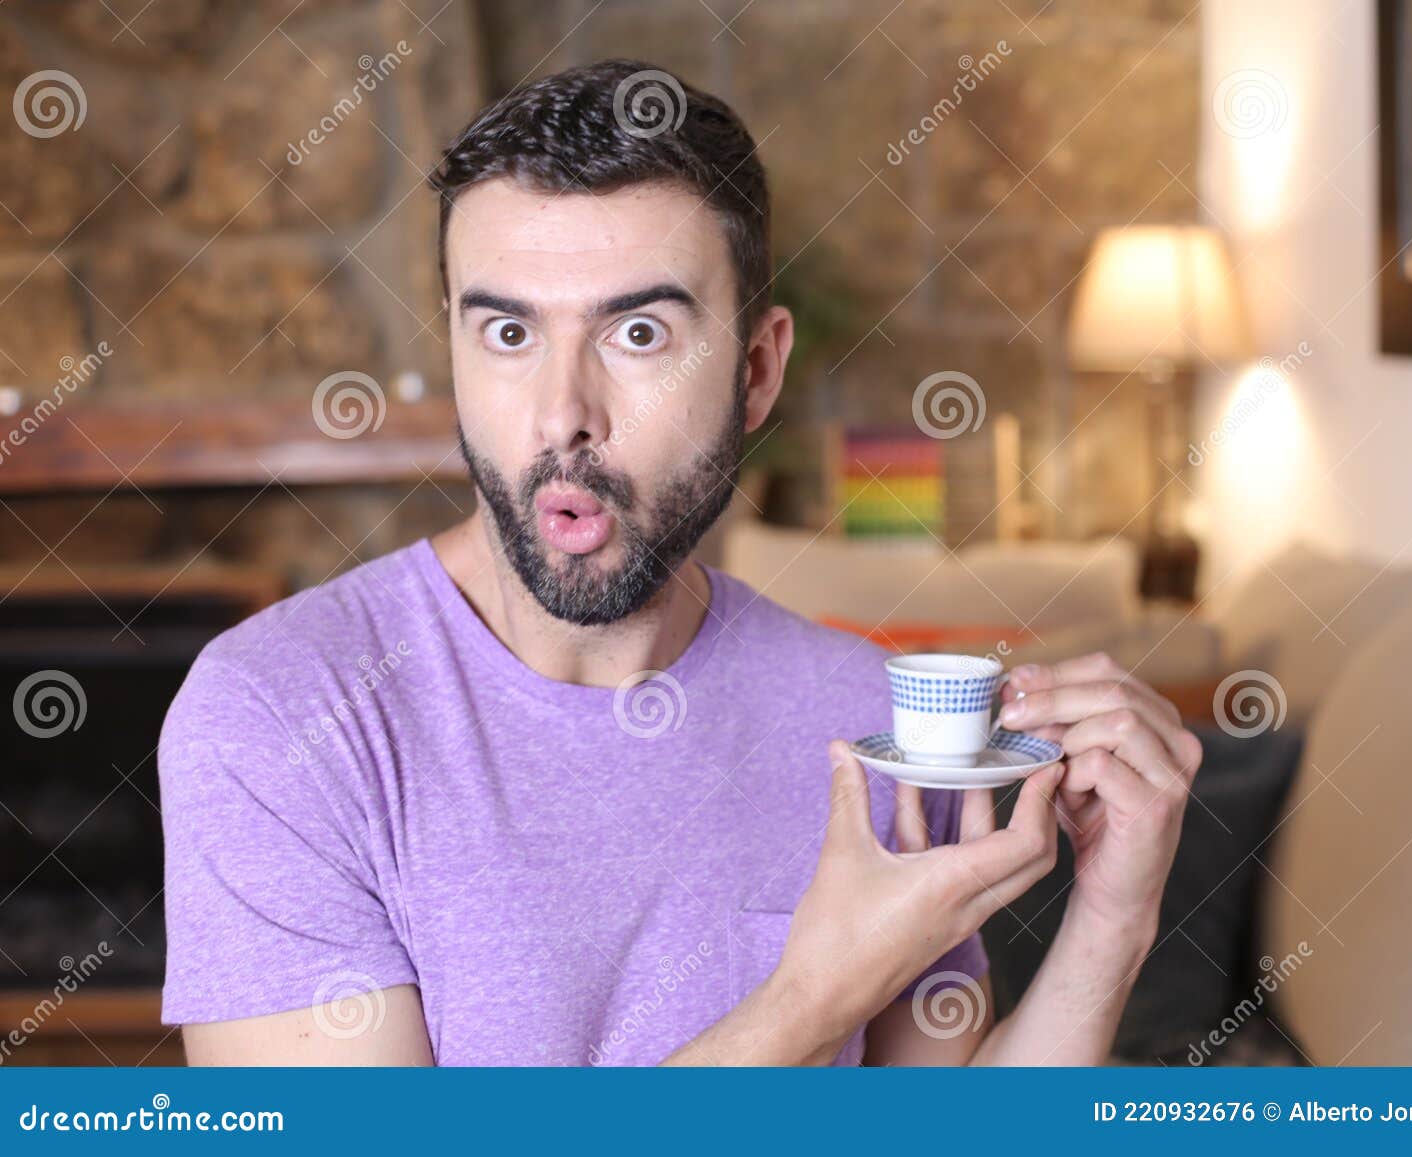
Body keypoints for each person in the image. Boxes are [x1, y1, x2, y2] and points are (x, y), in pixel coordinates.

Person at [159, 58, 1201, 1066]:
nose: (564, 415)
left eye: (640, 332)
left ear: (755, 372)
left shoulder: (863, 719)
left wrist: (1114, 918)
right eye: (510, 332)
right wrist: (813, 995)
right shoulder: (280, 715)